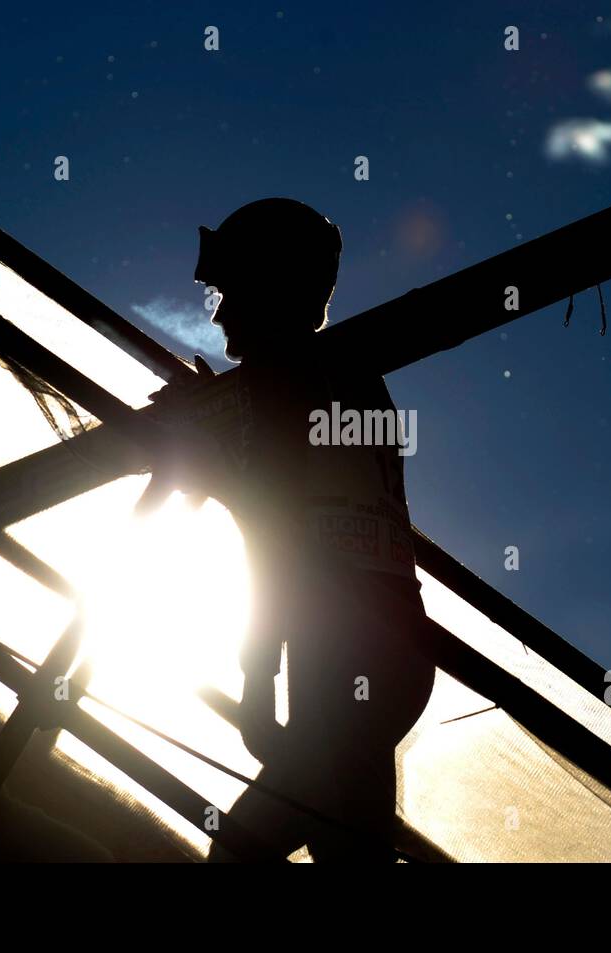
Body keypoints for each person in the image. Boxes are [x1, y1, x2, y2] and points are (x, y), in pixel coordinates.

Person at [137, 198, 435, 861]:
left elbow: (274, 528)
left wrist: (256, 672)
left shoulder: (281, 380)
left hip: (343, 659)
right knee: (306, 848)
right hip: (390, 651)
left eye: (231, 291)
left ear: (270, 287)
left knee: (251, 850)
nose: (216, 312)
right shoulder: (354, 375)